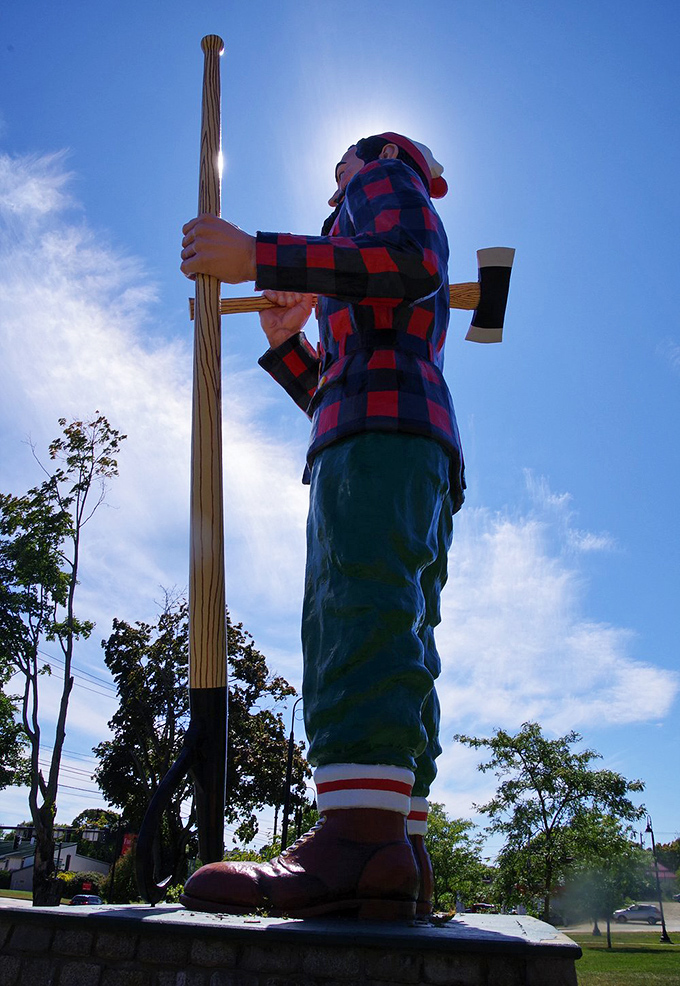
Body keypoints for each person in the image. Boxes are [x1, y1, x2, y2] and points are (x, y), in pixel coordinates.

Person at [179, 132, 465, 920]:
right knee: (398, 626)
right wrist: (287, 342)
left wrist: (259, 256)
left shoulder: (376, 180)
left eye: (337, 166)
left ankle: (358, 839)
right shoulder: (363, 253)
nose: (332, 181)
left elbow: (409, 263)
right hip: (401, 437)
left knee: (355, 611)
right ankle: (398, 846)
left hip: (381, 443)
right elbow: (340, 387)